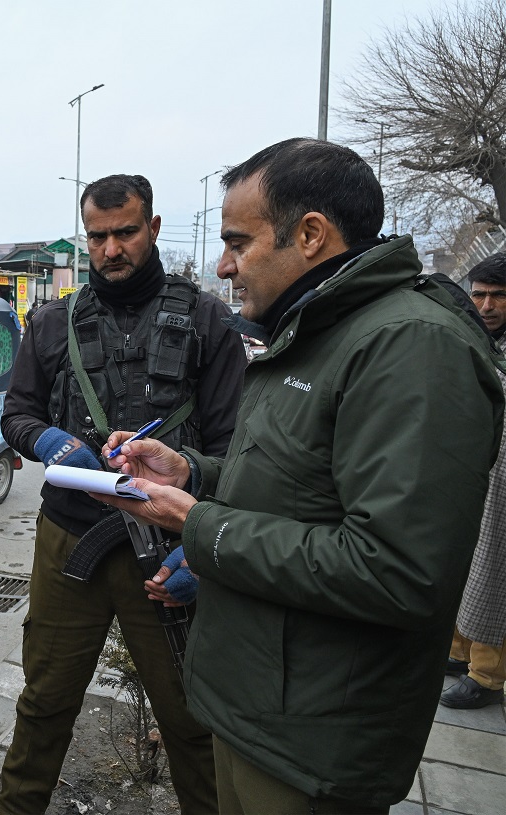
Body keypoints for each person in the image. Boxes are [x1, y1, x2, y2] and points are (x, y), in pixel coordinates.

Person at [97, 138, 505, 814]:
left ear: (311, 234)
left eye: (238, 241)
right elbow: (294, 485)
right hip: (252, 707)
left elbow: (396, 568)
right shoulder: (314, 331)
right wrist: (193, 472)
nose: (225, 266)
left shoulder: (410, 346)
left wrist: (196, 523)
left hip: (313, 743)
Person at [0, 174, 246, 815]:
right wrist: (49, 441)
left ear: (154, 228)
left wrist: (201, 547)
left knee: (192, 718)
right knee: (44, 703)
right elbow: (17, 413)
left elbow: (236, 447)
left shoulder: (208, 321)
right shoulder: (54, 321)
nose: (111, 249)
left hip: (166, 544)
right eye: (98, 236)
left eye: (126, 232)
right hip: (70, 540)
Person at [442, 252, 506, 710]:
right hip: (475, 469)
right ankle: (460, 652)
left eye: (498, 296)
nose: (486, 305)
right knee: (469, 558)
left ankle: (487, 675)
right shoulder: (481, 340)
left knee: (493, 571)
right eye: (479, 295)